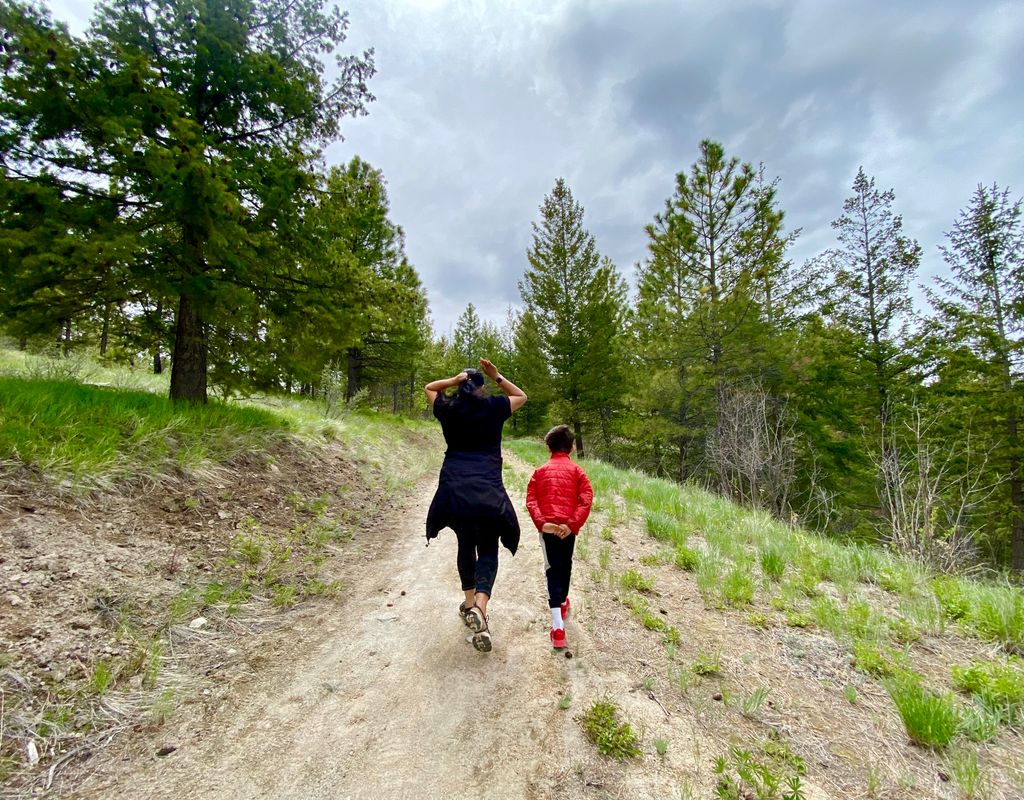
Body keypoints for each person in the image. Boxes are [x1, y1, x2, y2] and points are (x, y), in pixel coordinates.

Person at [424, 358, 527, 652]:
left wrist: (453, 381)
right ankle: (480, 607)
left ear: (460, 386)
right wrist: (496, 376)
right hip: (487, 491)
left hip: (454, 490)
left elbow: (430, 388)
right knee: (488, 547)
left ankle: (470, 603)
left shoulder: (448, 408)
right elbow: (521, 396)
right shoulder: (494, 407)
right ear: (482, 387)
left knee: (465, 543)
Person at [525, 424, 593, 650]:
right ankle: (562, 601)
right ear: (571, 447)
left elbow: (531, 500)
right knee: (565, 564)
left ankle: (557, 628)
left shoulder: (540, 472)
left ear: (548, 447)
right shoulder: (578, 471)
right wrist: (571, 524)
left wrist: (542, 523)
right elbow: (586, 498)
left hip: (549, 530)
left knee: (552, 570)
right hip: (567, 530)